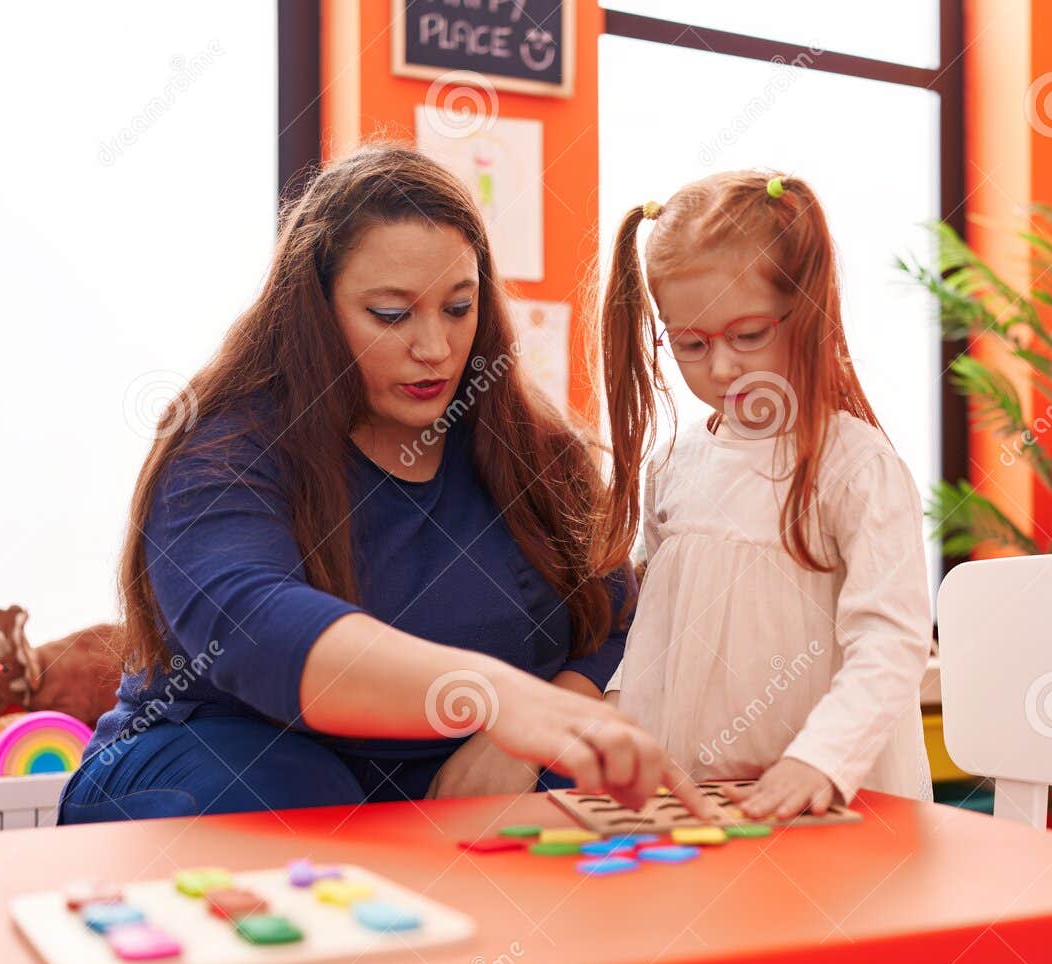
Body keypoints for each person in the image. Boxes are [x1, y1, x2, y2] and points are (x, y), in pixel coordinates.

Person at [60, 145, 710, 825]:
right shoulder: (227, 447)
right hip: (211, 766)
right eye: (392, 315)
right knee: (295, 785)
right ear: (313, 309)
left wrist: (516, 739)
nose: (434, 347)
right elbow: (258, 628)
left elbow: (609, 615)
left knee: (570, 774)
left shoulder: (532, 449)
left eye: (458, 308)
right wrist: (498, 696)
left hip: (426, 786)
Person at [595, 171, 933, 821]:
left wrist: (818, 759)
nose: (721, 368)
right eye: (691, 344)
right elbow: (656, 628)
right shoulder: (675, 465)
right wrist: (618, 720)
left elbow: (891, 639)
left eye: (748, 335)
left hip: (837, 799)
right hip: (708, 802)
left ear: (803, 311)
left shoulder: (855, 466)